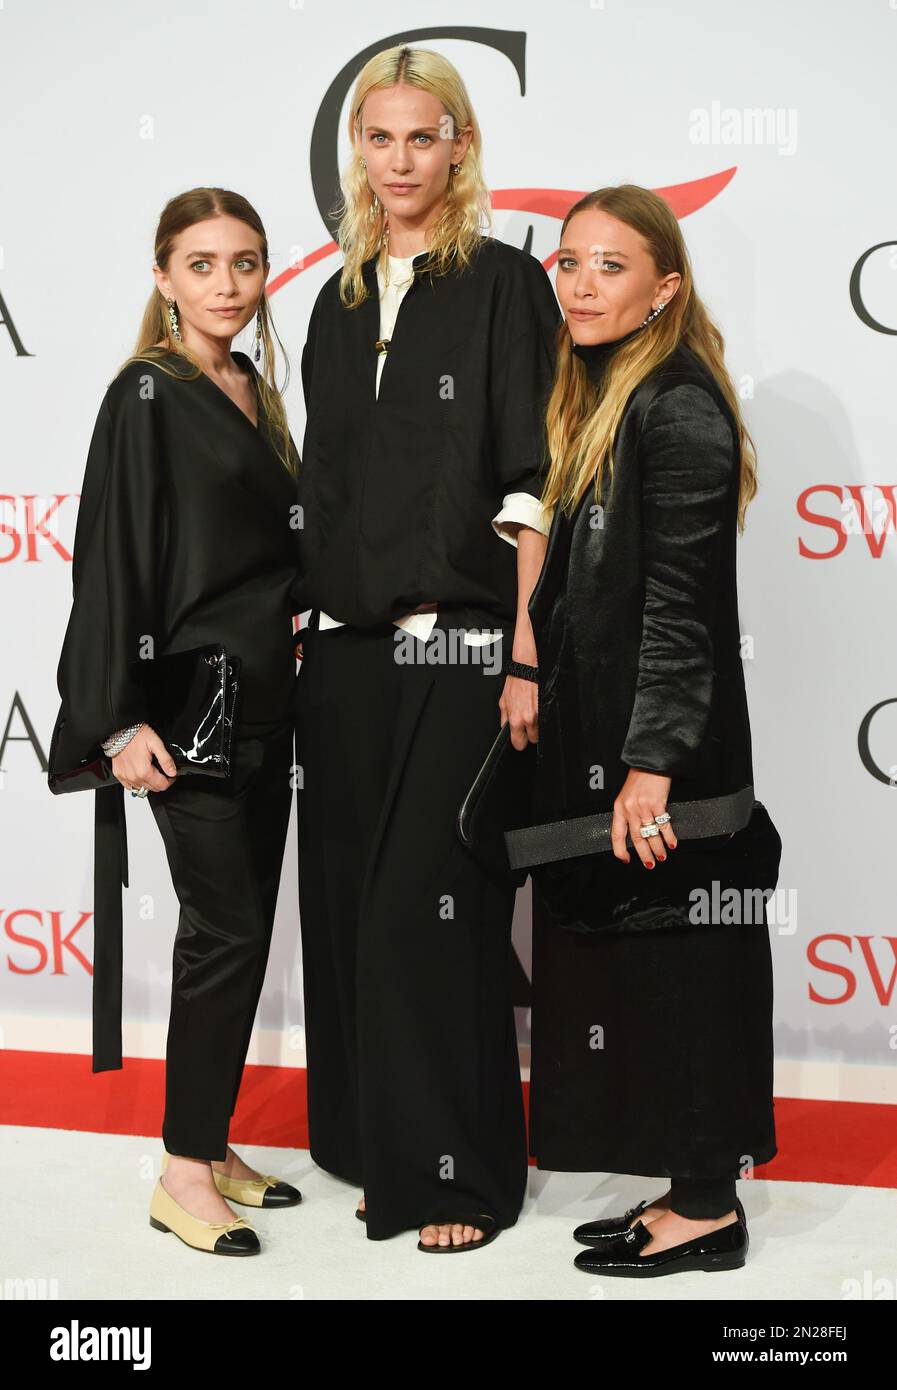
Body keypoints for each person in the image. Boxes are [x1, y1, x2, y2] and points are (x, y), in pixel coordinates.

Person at [293, 44, 561, 1250]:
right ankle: (373, 1147)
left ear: (459, 144)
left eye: (422, 136)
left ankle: (456, 1176)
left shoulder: (506, 283)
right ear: (358, 149)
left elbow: (530, 477)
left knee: (435, 904)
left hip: (457, 646)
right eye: (379, 137)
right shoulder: (335, 298)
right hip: (345, 655)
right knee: (353, 903)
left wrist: (522, 648)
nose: (399, 160)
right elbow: (325, 483)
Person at [526, 184, 777, 1277]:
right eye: (569, 262)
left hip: (666, 755)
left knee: (687, 971)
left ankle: (709, 1208)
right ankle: (683, 1191)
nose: (582, 283)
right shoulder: (607, 395)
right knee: (647, 967)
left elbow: (681, 602)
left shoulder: (674, 406)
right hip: (625, 743)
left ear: (663, 287)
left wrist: (650, 765)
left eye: (610, 266)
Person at [52, 187, 304, 1257]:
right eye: (202, 265)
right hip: (183, 708)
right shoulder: (146, 395)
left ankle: (210, 1136)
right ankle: (181, 1172)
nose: (227, 285)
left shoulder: (251, 385)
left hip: (265, 701)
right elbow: (109, 556)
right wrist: (113, 722)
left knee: (238, 932)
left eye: (244, 264)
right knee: (226, 932)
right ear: (164, 278)